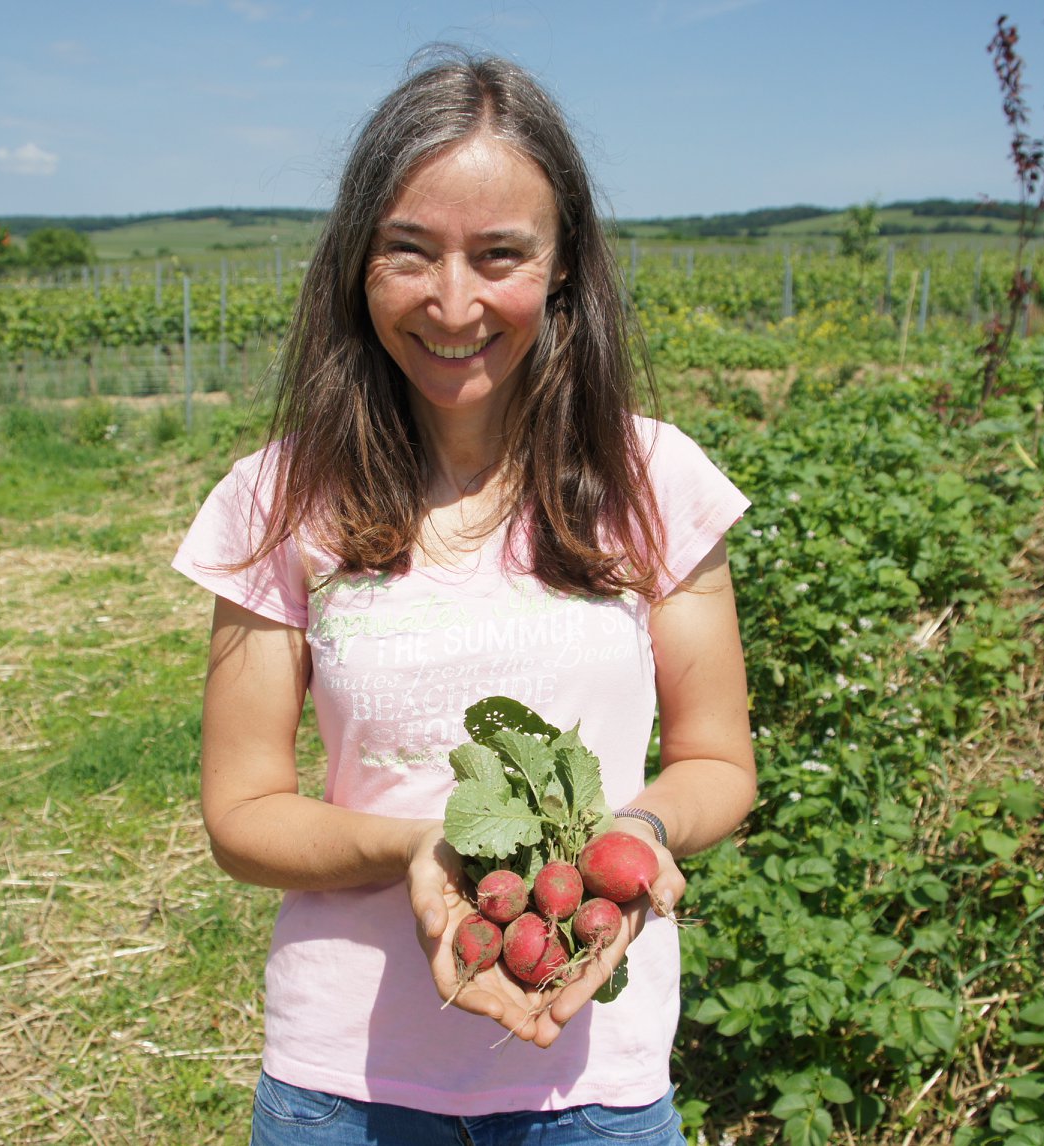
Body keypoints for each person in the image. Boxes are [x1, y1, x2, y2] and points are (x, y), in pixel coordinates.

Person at [173, 51, 756, 1146]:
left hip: (592, 1088)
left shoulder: (656, 483)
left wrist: (633, 836)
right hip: (344, 1088)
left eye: (500, 256)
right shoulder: (279, 499)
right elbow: (240, 816)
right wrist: (409, 851)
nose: (453, 302)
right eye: (409, 254)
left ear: (566, 267)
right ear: (357, 265)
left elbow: (720, 763)